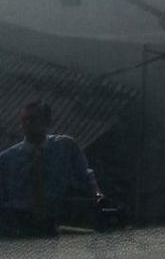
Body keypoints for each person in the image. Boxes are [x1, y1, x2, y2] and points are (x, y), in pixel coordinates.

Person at [0, 100, 104, 238]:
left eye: (33, 119)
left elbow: (85, 175)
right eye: (24, 120)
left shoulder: (64, 147)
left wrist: (97, 195)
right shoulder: (7, 159)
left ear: (47, 122)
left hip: (49, 220)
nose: (27, 124)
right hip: (17, 222)